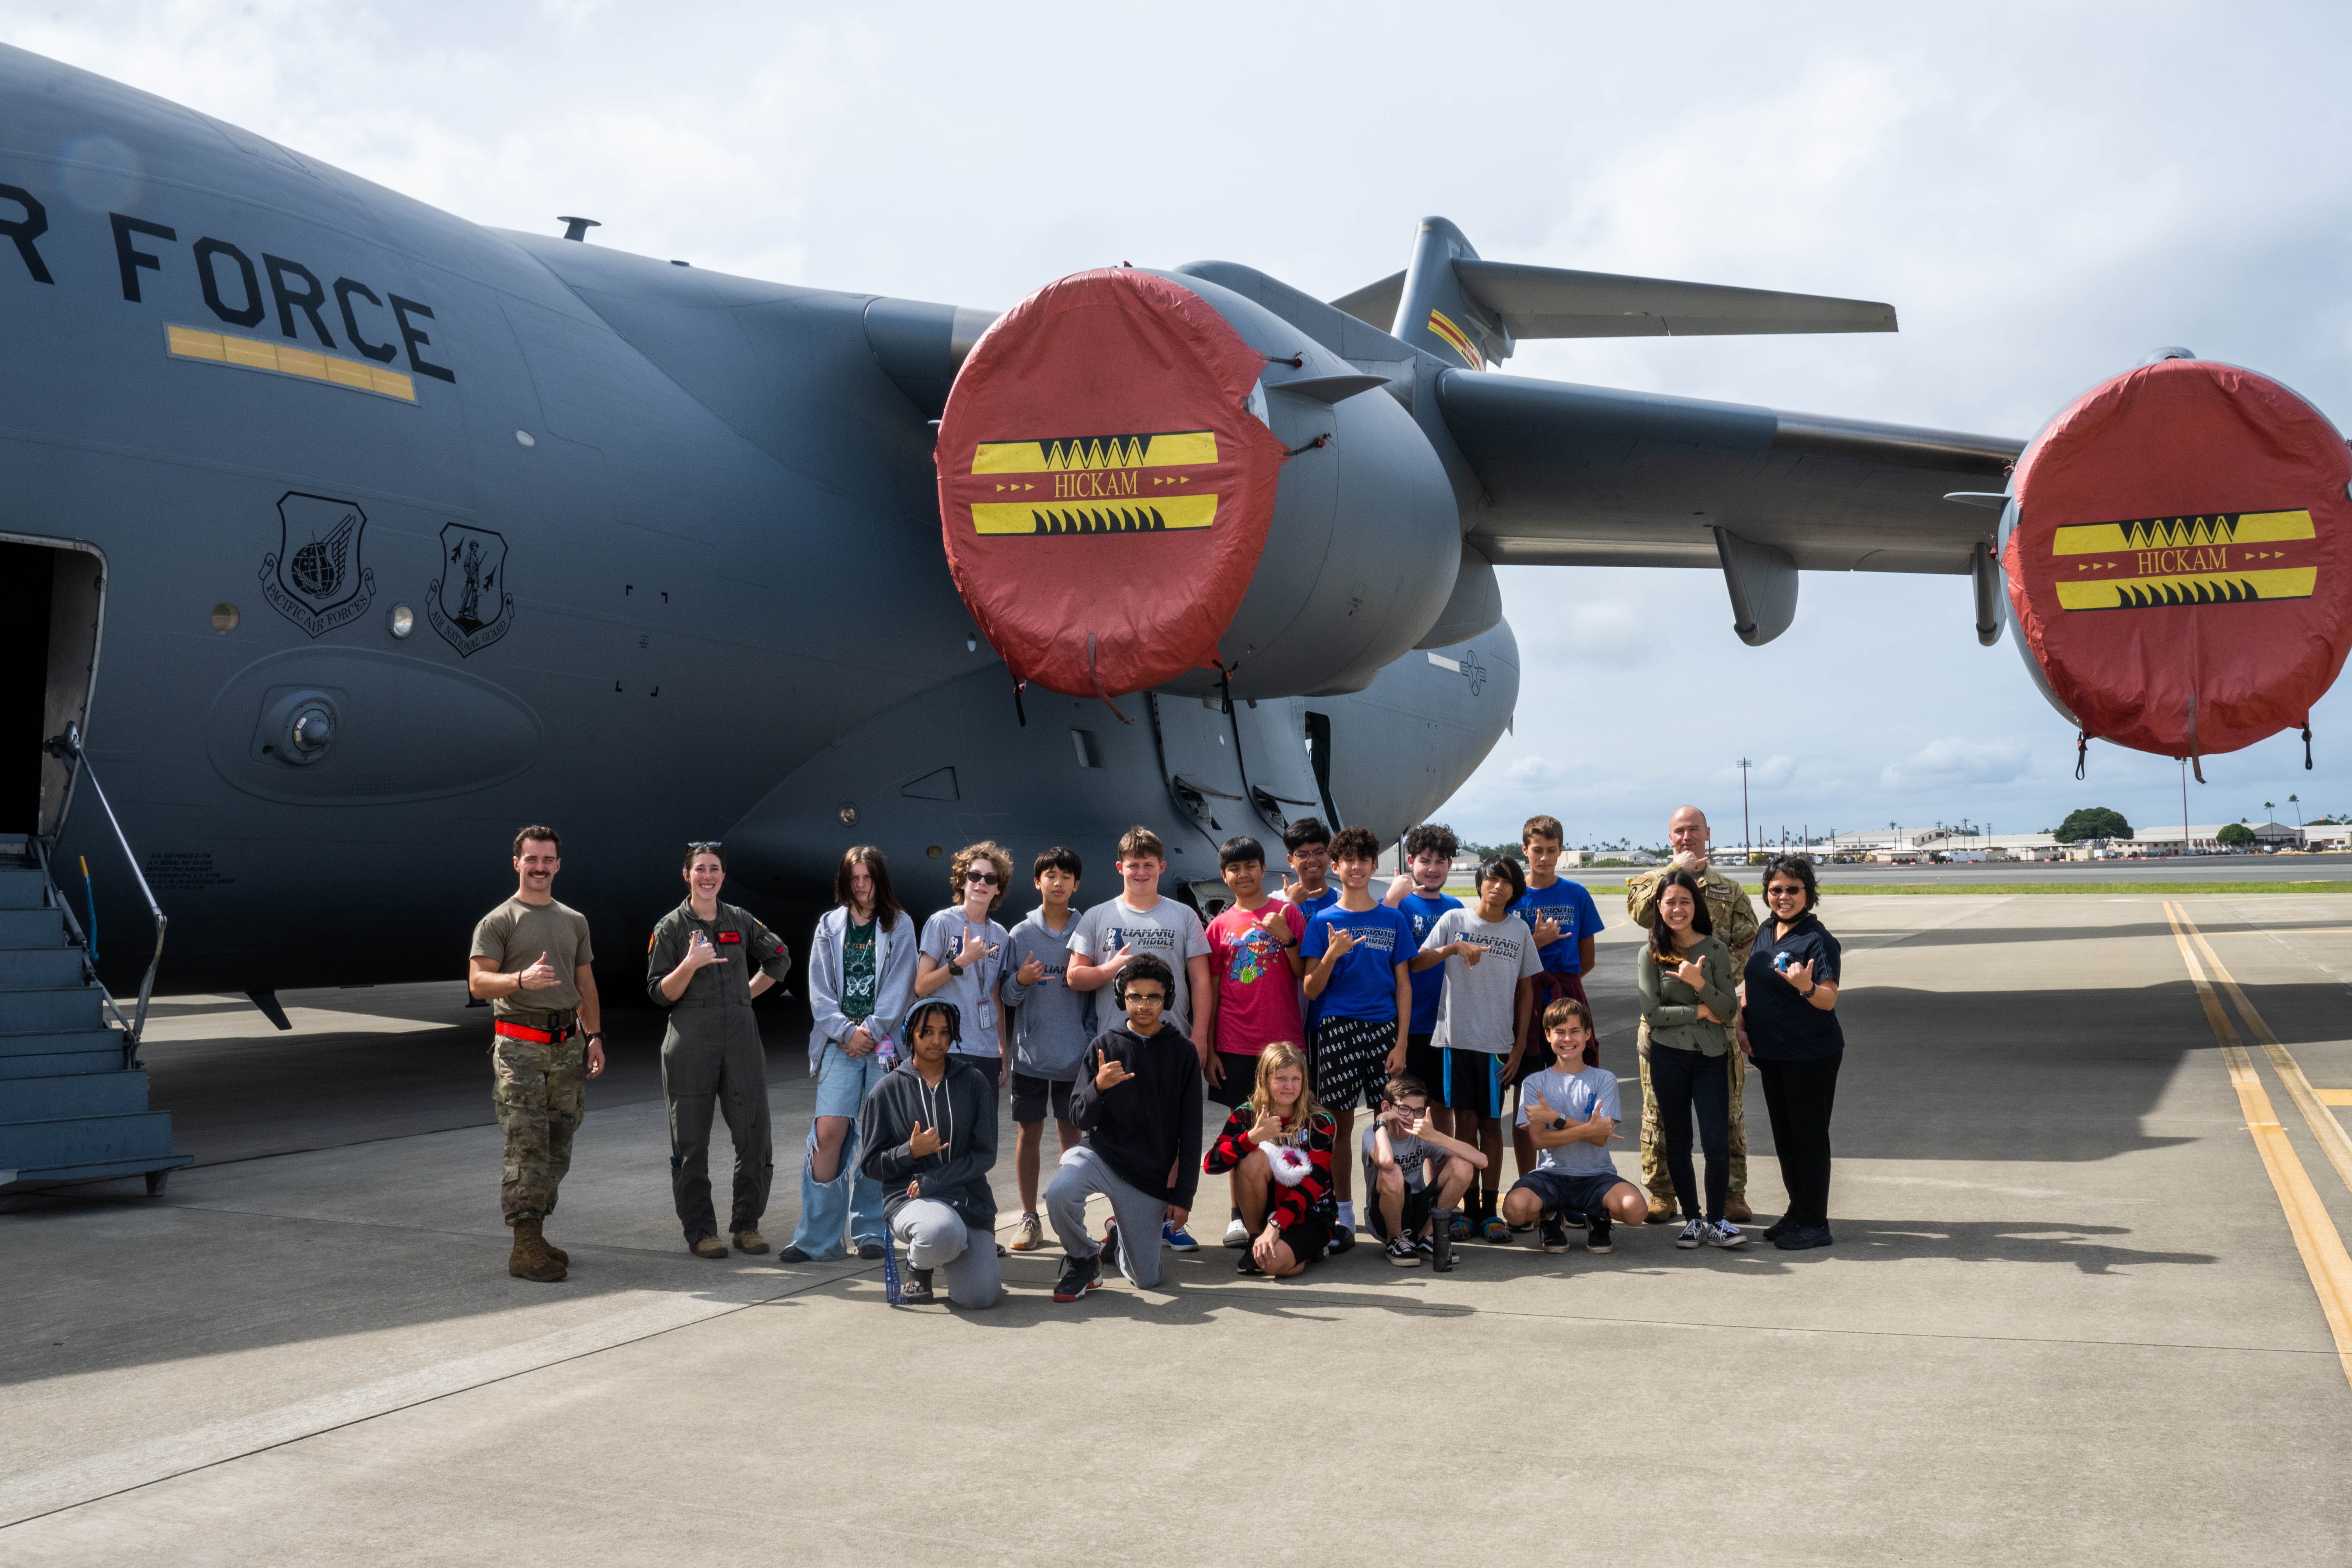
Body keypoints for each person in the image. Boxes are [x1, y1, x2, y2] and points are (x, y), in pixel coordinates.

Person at [1064, 826, 1213, 1251]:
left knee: (1173, 1132)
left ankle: (1170, 1216)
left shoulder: (1182, 915)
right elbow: (1076, 975)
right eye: (1134, 866)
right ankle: (1123, 1218)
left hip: (1171, 1043)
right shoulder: (1097, 916)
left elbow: (1201, 979)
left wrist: (1200, 1035)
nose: (1142, 872)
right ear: (1120, 868)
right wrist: (1113, 968)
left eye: (1150, 865)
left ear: (1162, 868)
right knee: (1120, 1132)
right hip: (1117, 1046)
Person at [469, 825, 606, 1283]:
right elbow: (478, 982)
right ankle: (524, 1245)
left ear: (558, 865)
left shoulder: (574, 920)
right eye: (532, 859)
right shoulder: (498, 921)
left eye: (548, 860)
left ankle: (538, 1230)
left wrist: (595, 1037)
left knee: (559, 1144)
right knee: (527, 1143)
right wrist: (520, 980)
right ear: (517, 863)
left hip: (566, 1046)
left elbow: (584, 984)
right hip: (519, 1046)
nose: (540, 867)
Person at [646, 843, 791, 1259]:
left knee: (754, 1134)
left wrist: (744, 995)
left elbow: (779, 958)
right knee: (691, 1139)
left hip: (741, 1036)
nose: (707, 876)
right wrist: (690, 964)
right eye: (699, 869)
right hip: (691, 1037)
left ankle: (747, 1224)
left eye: (714, 869)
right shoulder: (671, 927)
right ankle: (702, 1230)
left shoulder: (740, 920)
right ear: (687, 874)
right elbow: (659, 992)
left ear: (723, 875)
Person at [1626, 806, 1762, 1223]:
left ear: (1707, 833)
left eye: (1693, 830)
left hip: (1713, 1020)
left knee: (1727, 1111)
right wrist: (1672, 870)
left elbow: (1750, 942)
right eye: (1678, 831)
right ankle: (1662, 1191)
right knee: (1660, 1112)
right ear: (1670, 838)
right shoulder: (1653, 883)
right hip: (1665, 1019)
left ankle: (1732, 1193)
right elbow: (1639, 913)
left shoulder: (1730, 890)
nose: (1686, 837)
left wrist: (1718, 981)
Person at [784, 846, 916, 1264]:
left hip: (883, 1042)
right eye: (854, 877)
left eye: (868, 877)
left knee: (882, 1136)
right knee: (828, 1134)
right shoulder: (830, 924)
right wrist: (845, 1031)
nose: (861, 885)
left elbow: (901, 986)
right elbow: (818, 988)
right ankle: (817, 1239)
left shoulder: (901, 924)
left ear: (880, 878)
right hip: (839, 1041)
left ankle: (871, 1230)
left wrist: (871, 1031)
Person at [1047, 955, 1205, 1302]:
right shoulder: (1103, 1046)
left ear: (1168, 1000)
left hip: (1146, 1176)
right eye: (1135, 996)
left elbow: (1192, 1133)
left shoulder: (1183, 1053)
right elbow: (1078, 1117)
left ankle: (1117, 1239)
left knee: (1147, 1280)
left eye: (1154, 997)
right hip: (1100, 1156)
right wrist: (1098, 1089)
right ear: (1122, 998)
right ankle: (1084, 1258)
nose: (1144, 1005)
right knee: (1058, 1194)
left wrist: (1183, 1196)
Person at [1410, 854, 1542, 1242]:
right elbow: (1417, 962)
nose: (1498, 887)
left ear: (1515, 890)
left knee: (1491, 1125)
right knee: (1465, 1122)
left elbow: (1526, 989)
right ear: (1480, 882)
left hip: (1496, 1045)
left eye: (1506, 882)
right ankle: (1468, 1209)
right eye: (1491, 879)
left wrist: (1519, 1046)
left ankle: (1490, 1210)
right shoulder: (1454, 920)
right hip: (1456, 1040)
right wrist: (1454, 948)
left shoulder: (1519, 930)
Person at [1301, 825, 1419, 1248]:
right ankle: (1344, 1215)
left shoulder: (1392, 918)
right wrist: (1333, 954)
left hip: (1384, 1029)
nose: (1356, 867)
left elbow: (1404, 983)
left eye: (1363, 860)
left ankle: (1386, 1212)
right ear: (1336, 867)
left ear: (1374, 866)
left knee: (1390, 1120)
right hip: (1337, 1029)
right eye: (1347, 860)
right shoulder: (1323, 921)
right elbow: (1311, 989)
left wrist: (1402, 1041)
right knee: (1339, 1124)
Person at [858, 999, 1002, 1307]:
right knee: (940, 1231)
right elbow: (871, 1165)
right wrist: (909, 1152)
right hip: (910, 1199)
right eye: (927, 1033)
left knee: (980, 1298)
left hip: (968, 1199)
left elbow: (985, 1155)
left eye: (945, 1033)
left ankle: (948, 1248)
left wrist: (935, 1180)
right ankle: (919, 1266)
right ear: (910, 1035)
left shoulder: (974, 1083)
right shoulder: (886, 1091)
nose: (937, 1041)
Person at [1203, 835, 1308, 1245]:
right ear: (1225, 875)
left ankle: (1284, 1209)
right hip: (1235, 1041)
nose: (1243, 874)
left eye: (1250, 865)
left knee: (1287, 1127)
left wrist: (1286, 936)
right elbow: (1211, 992)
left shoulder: (1288, 912)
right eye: (1234, 868)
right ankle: (1239, 1213)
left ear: (1264, 869)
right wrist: (1210, 1048)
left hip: (1282, 1043)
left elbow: (1303, 973)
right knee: (1242, 1130)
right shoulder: (1219, 926)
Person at [1740, 854, 1845, 1251]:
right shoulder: (1767, 929)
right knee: (1786, 1137)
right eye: (1776, 889)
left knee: (1809, 1138)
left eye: (1792, 889)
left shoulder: (1818, 939)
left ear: (1808, 893)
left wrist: (1806, 986)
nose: (1783, 896)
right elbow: (1753, 980)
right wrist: (1742, 1021)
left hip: (1810, 1054)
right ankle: (1798, 1209)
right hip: (1773, 1053)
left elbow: (1829, 998)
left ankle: (1815, 1222)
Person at [1637, 868, 1746, 1250]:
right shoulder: (1649, 953)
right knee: (1679, 1141)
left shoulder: (1714, 950)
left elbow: (1730, 1009)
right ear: (1659, 907)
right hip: (1669, 1057)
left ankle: (1718, 1220)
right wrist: (1700, 1011)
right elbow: (1653, 1013)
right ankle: (1693, 1219)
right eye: (1671, 902)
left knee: (1716, 1141)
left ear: (1695, 905)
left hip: (1711, 1056)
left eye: (1685, 901)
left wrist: (1698, 983)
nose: (1678, 908)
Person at [998, 847, 1093, 1253]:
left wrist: (1089, 1037)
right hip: (1032, 1058)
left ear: (1077, 884)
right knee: (1029, 1133)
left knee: (1072, 1133)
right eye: (1049, 875)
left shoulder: (1087, 929)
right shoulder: (1020, 935)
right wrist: (1021, 979)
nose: (1058, 882)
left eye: (1066, 875)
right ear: (1037, 882)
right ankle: (1030, 1217)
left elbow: (1095, 989)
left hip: (1076, 1057)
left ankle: (1071, 1216)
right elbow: (1007, 996)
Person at [1503, 997, 1650, 1256]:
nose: (1567, 1039)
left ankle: (1599, 1216)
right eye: (1560, 1032)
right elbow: (1539, 1141)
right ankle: (1550, 1218)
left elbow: (1600, 1140)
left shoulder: (1603, 1079)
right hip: (1550, 1176)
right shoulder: (1534, 1083)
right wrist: (1589, 1129)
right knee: (1514, 1210)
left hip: (1596, 1175)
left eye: (1575, 1031)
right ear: (1548, 1035)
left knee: (1636, 1210)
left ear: (1588, 1034)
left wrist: (1555, 1117)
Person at [1508, 815, 1604, 1198]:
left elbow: (1587, 959)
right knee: (1527, 1094)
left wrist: (1563, 990)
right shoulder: (1515, 898)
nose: (1544, 858)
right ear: (1525, 850)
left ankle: (1573, 1182)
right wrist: (1536, 941)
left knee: (1572, 1093)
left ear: (1561, 850)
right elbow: (1506, 956)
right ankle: (1529, 1181)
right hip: (1524, 1000)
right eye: (1537, 850)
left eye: (1551, 850)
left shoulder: (1577, 894)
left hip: (1565, 998)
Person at [1201, 1041, 1335, 1278]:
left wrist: (1276, 1226)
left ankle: (1304, 1249)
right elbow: (1211, 1164)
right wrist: (1252, 1138)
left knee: (1273, 1265)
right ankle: (1255, 1238)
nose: (1290, 1086)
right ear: (1264, 1079)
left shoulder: (1321, 1121)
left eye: (1296, 1079)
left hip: (1310, 1214)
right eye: (1281, 1078)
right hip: (1264, 1216)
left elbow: (1314, 1185)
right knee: (1252, 1158)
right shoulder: (1246, 1115)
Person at [914, 841, 1014, 1093]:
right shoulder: (942, 923)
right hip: (950, 1048)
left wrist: (1002, 1048)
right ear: (962, 881)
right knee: (949, 1130)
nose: (982, 883)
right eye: (975, 876)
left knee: (984, 1131)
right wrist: (961, 962)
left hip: (987, 1050)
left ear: (998, 890)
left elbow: (994, 995)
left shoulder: (1001, 935)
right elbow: (921, 986)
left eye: (990, 879)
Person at [1383, 822, 1464, 1131]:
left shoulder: (1456, 908)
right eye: (1425, 860)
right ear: (1410, 862)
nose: (1432, 869)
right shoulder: (1397, 905)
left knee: (1443, 1110)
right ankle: (1405, 1179)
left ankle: (1441, 1180)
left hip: (1445, 1027)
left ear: (1450, 865)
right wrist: (1391, 899)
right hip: (1407, 1027)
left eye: (1440, 861)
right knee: (1406, 1111)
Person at [1363, 1074, 1485, 1271]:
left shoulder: (1420, 1134)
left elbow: (1481, 1161)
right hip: (1384, 1216)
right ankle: (1395, 1240)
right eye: (1404, 1109)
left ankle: (1426, 1237)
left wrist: (1436, 1137)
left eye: (1418, 1111)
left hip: (1417, 1208)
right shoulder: (1373, 1133)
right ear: (1387, 1108)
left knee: (1464, 1166)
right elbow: (1385, 1161)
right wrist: (1381, 1123)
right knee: (1392, 1171)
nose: (1411, 1117)